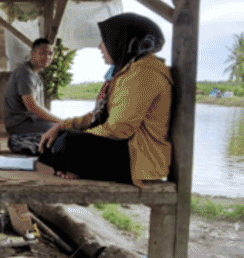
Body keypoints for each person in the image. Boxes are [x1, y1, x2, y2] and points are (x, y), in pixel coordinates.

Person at [38, 13, 172, 186]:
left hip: (139, 161)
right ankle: (68, 165)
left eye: (105, 40)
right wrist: (62, 126)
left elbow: (119, 129)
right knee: (51, 143)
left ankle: (69, 165)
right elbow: (98, 116)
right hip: (124, 150)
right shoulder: (128, 70)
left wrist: (75, 137)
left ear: (123, 41)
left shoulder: (144, 74)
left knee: (67, 144)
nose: (100, 46)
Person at [4, 38, 63, 136]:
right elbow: (32, 107)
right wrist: (61, 121)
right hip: (19, 125)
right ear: (32, 53)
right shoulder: (25, 73)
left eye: (50, 54)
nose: (47, 57)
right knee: (62, 130)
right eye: (43, 53)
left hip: (32, 122)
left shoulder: (36, 74)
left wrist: (60, 121)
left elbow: (40, 107)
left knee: (63, 127)